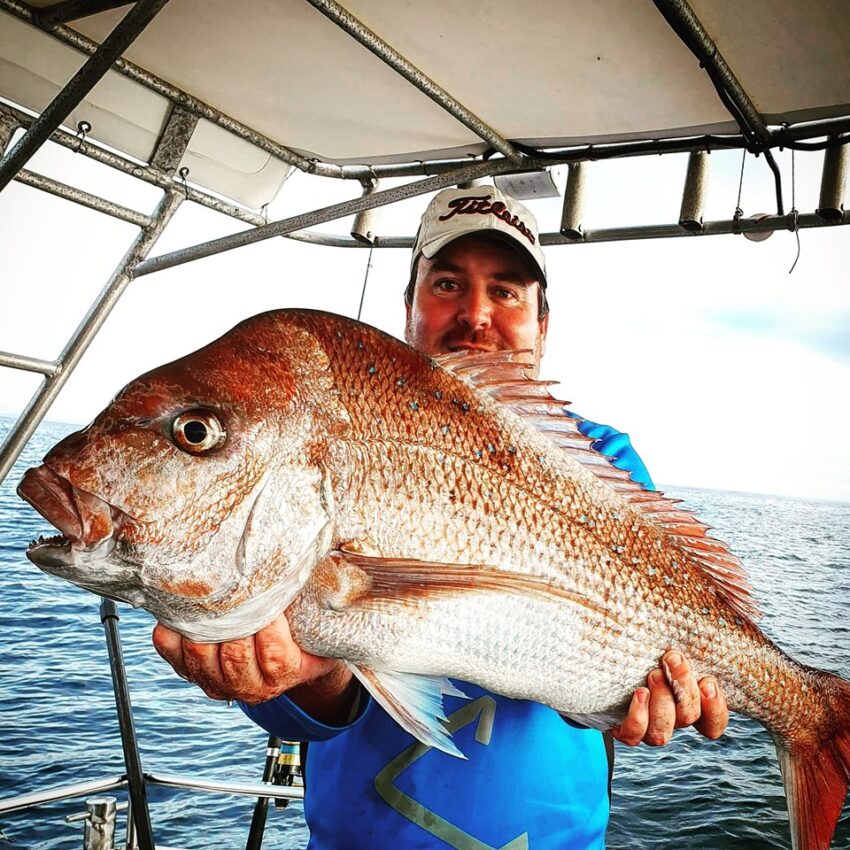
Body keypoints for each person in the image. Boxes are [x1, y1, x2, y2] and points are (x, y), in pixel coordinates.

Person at [154, 186, 728, 849]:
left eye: (507, 291)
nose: (476, 314)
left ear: (543, 324)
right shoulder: (326, 437)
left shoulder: (603, 460)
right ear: (408, 310)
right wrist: (307, 679)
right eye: (448, 283)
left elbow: (627, 669)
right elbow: (312, 699)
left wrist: (660, 693)